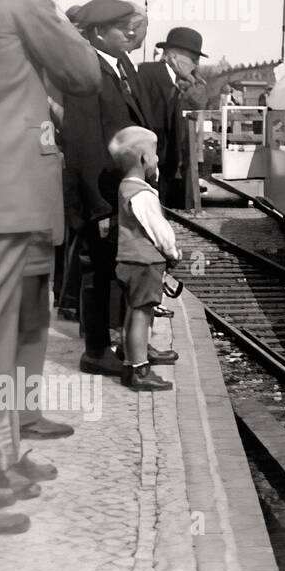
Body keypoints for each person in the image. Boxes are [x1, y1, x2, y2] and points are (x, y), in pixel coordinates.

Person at [0, 0, 100, 533]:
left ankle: (10, 453)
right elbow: (82, 72)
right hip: (10, 194)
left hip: (23, 199)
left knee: (22, 328)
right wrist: (45, 3)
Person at [60, 0, 176, 377]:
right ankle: (95, 350)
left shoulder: (123, 64)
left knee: (124, 274)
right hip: (104, 195)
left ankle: (131, 346)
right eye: (120, 27)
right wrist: (98, 209)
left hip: (123, 188)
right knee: (100, 273)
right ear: (96, 33)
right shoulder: (84, 72)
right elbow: (84, 145)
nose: (131, 32)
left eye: (132, 25)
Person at [107, 127, 180, 391]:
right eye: (155, 154)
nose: (158, 159)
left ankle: (131, 361)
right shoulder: (143, 195)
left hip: (128, 261)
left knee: (132, 313)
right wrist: (173, 252)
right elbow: (159, 230)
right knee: (141, 314)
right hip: (144, 263)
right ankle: (139, 370)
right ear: (143, 158)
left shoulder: (126, 187)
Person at [135, 27, 207, 208]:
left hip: (166, 162)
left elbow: (199, 105)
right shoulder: (146, 72)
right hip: (146, 157)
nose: (195, 65)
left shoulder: (181, 82)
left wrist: (192, 86)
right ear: (175, 55)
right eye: (193, 59)